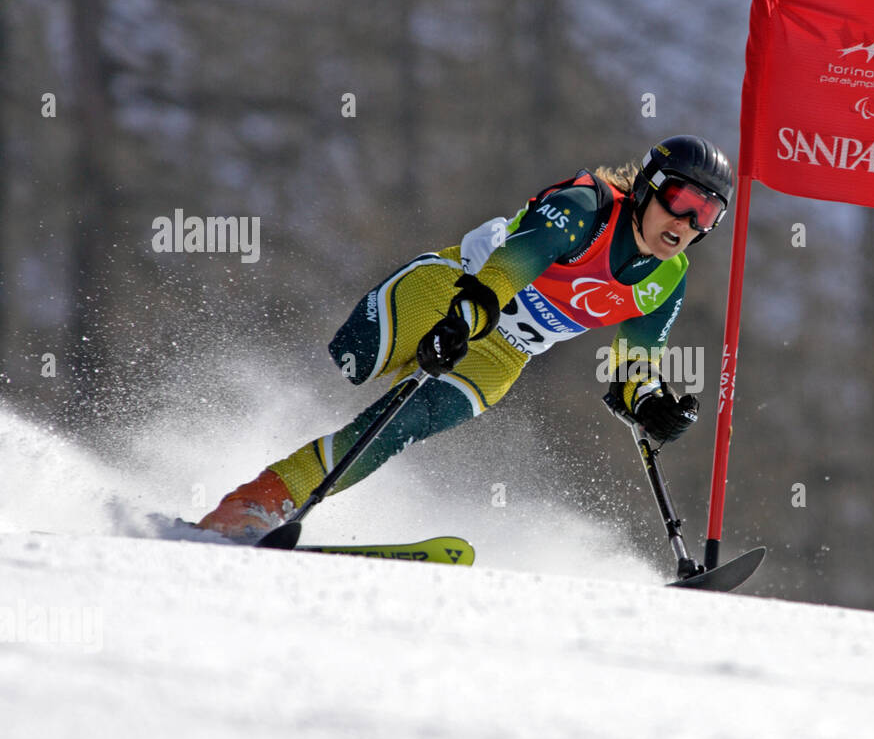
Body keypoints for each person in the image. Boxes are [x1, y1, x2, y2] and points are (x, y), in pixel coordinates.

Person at [196, 134, 736, 542]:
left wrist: (650, 405)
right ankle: (235, 401)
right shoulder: (586, 208)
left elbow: (632, 368)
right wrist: (462, 321)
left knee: (391, 429)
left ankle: (256, 502)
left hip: (503, 355)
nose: (686, 221)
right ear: (647, 187)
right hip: (453, 294)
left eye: (707, 214)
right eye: (681, 199)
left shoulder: (668, 279)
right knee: (349, 362)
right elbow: (508, 269)